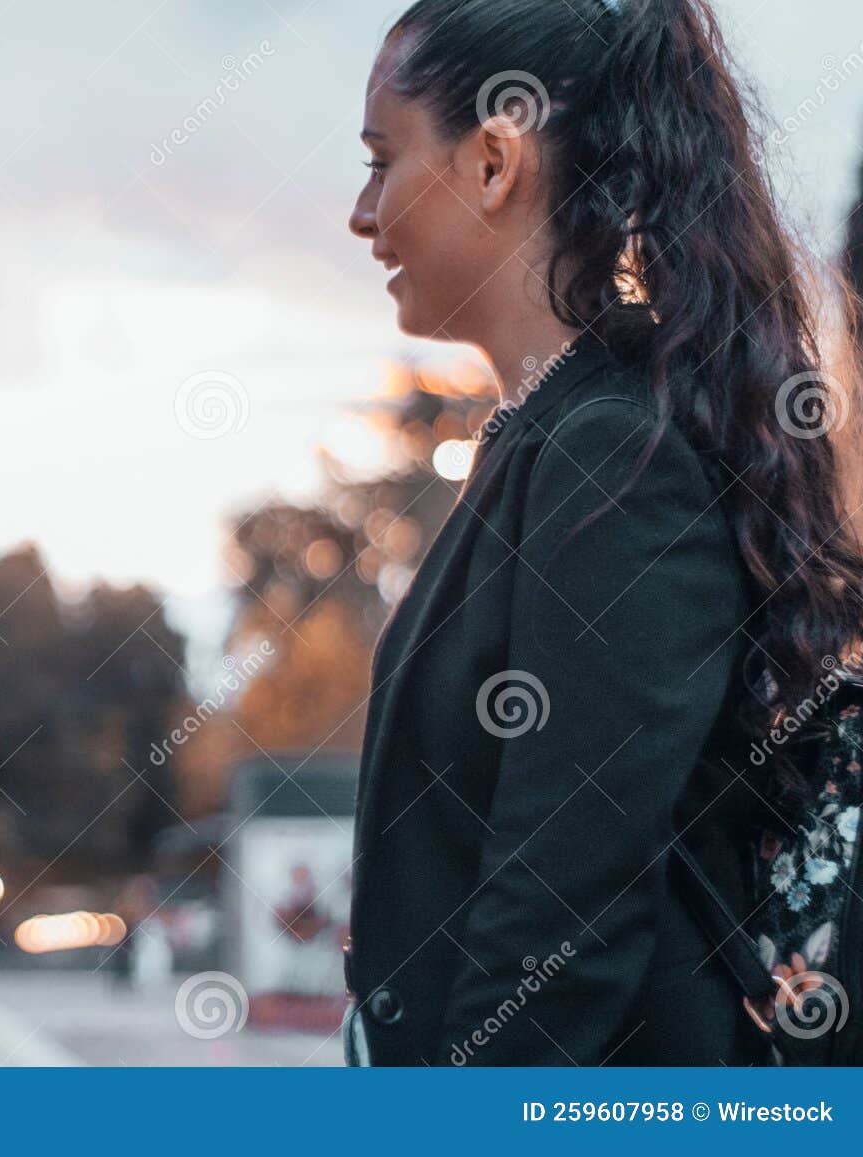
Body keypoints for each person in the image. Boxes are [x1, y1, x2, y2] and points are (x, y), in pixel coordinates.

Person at [343, 0, 863, 1065]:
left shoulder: (615, 459)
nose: (361, 212)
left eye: (380, 159)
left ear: (492, 160)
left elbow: (559, 924)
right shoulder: (550, 443)